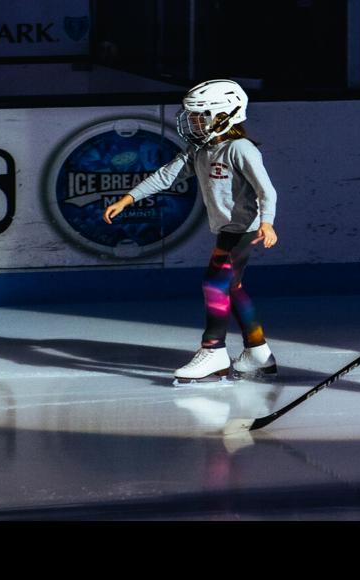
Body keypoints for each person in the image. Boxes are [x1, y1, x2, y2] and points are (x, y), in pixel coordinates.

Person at [103, 79, 281, 386]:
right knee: (231, 287)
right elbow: (166, 176)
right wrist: (128, 198)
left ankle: (213, 351)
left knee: (214, 284)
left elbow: (266, 190)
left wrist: (267, 222)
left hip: (245, 230)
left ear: (226, 115)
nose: (194, 122)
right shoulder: (200, 151)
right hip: (228, 230)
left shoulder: (240, 149)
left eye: (202, 116)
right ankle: (258, 352)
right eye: (193, 116)